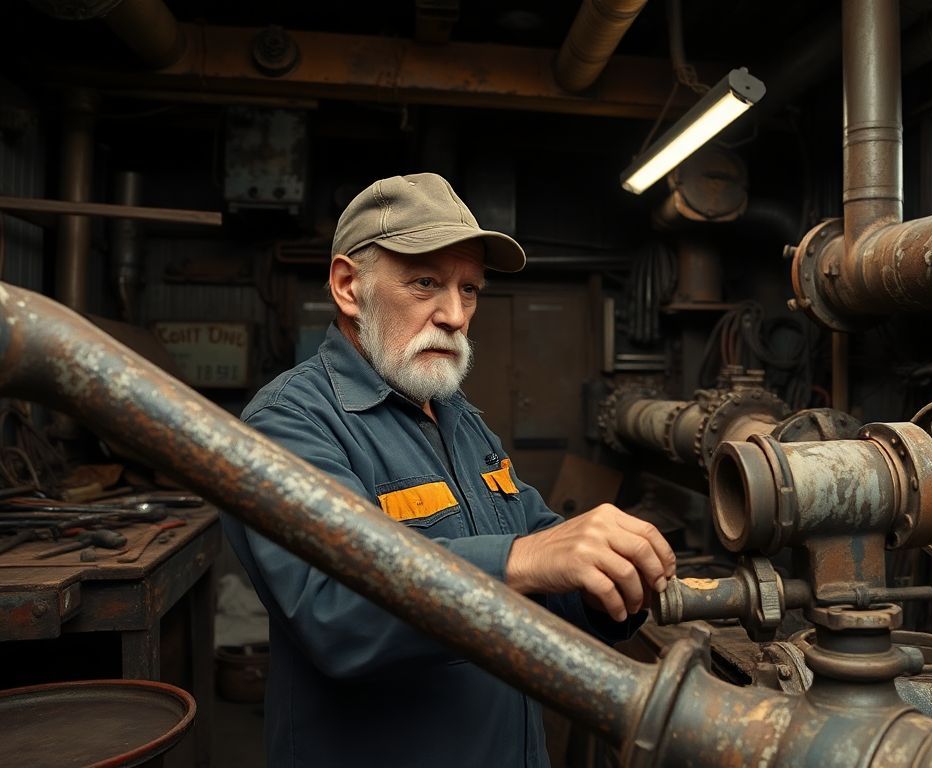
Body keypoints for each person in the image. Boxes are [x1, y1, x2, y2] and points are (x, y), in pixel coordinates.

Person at [223, 173, 676, 767]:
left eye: (470, 290)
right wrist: (523, 560)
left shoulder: (458, 418)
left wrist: (610, 581)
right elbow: (333, 612)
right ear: (348, 286)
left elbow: (544, 563)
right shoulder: (289, 425)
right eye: (426, 283)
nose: (456, 315)